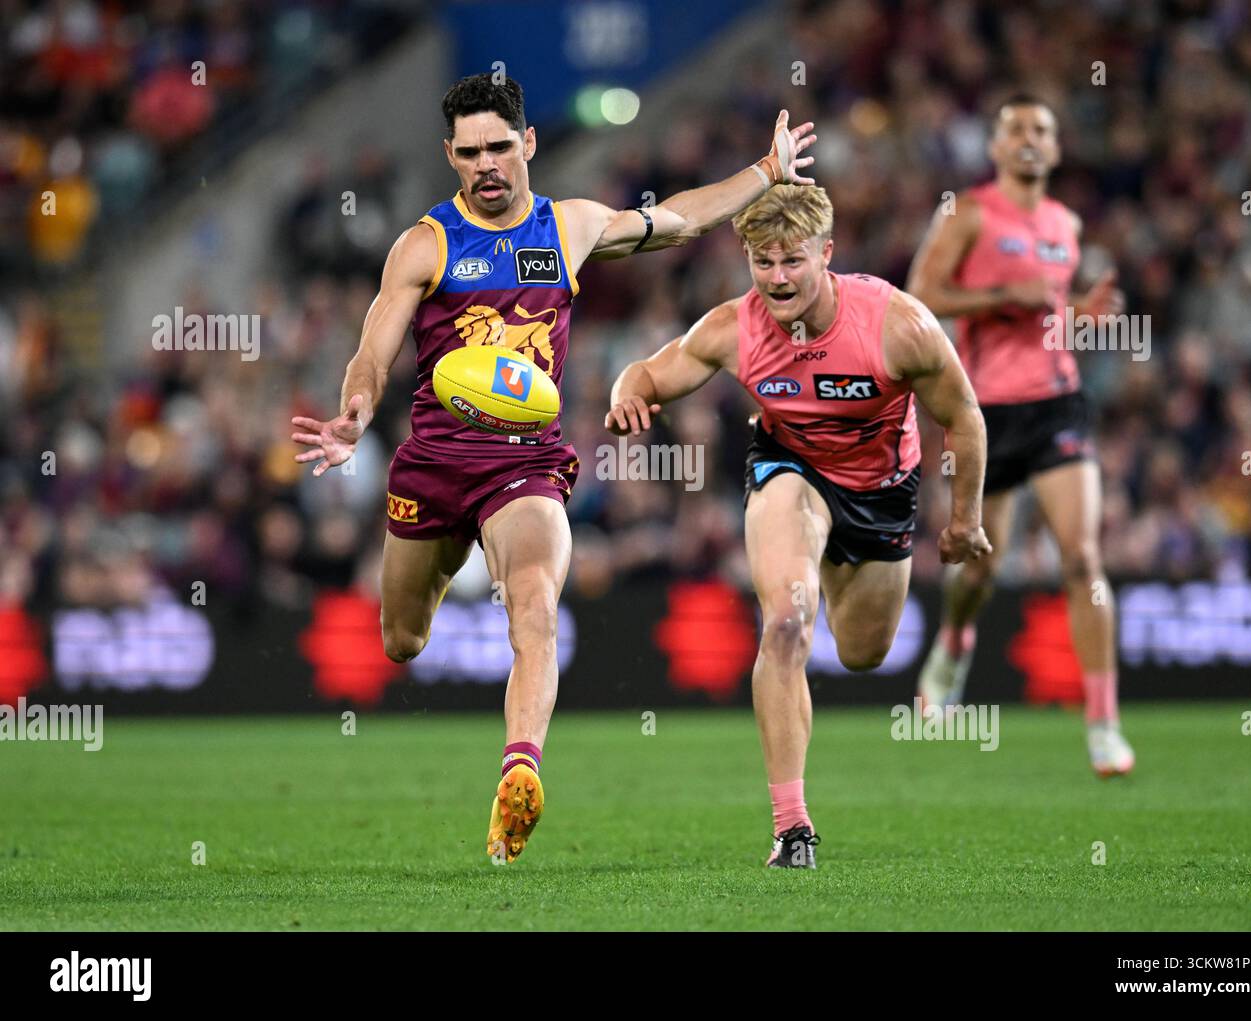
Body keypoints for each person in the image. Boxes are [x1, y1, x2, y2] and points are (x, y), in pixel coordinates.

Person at [290, 73, 815, 862]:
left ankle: (519, 774)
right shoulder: (424, 245)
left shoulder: (567, 228)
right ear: (450, 157)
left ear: (527, 143)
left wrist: (765, 175)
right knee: (401, 638)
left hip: (524, 463)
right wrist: (356, 414)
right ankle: (450, 620)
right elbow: (372, 351)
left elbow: (676, 220)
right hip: (433, 463)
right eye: (469, 153)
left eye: (500, 146)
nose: (487, 164)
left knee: (533, 605)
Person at [606, 184, 990, 867]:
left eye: (792, 261)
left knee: (862, 651)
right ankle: (792, 826)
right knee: (785, 620)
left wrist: (964, 520)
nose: (777, 278)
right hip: (790, 470)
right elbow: (649, 373)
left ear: (827, 254)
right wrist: (628, 395)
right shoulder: (734, 328)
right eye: (762, 261)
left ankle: (836, 578)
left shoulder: (898, 325)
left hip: (882, 492)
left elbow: (963, 416)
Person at [906, 94, 1135, 777]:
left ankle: (1102, 723)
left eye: (1042, 129)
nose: (1030, 140)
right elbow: (921, 294)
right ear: (997, 148)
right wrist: (1006, 296)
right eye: (1016, 131)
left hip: (1058, 405)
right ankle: (953, 644)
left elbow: (1049, 314)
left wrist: (1083, 317)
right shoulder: (967, 211)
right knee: (978, 568)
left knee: (1084, 559)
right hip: (986, 411)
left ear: (1057, 148)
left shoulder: (1066, 222)